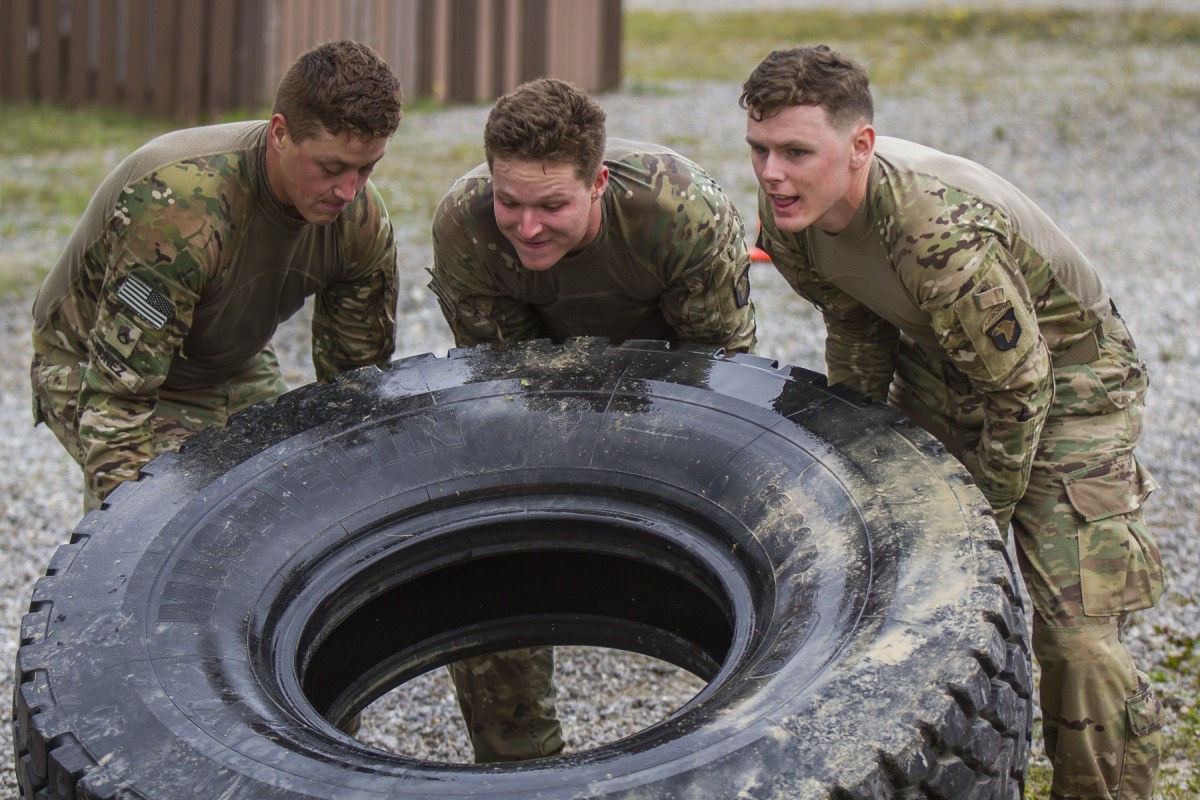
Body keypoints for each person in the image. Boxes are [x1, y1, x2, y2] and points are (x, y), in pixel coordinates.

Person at [740, 45, 1165, 799]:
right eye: (760, 149)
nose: (772, 173)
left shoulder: (936, 233)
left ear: (859, 146)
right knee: (890, 572)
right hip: (946, 364)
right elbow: (855, 320)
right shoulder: (794, 217)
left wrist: (983, 523)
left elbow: (1020, 393)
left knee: (1076, 636)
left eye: (797, 152)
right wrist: (852, 448)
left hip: (1069, 387)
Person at [428, 76, 757, 762]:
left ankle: (735, 751)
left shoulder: (680, 213)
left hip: (672, 386)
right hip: (543, 389)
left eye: (552, 205)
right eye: (510, 201)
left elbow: (721, 382)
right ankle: (521, 768)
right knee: (486, 557)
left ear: (598, 183)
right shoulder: (466, 226)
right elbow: (504, 386)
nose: (526, 226)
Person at [31, 40, 404, 513]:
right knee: (181, 514)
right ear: (280, 134)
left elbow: (355, 394)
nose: (348, 191)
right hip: (91, 362)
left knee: (296, 495)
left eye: (366, 168)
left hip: (228, 360)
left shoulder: (361, 221)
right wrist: (129, 533)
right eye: (331, 167)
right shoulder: (182, 209)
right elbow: (117, 405)